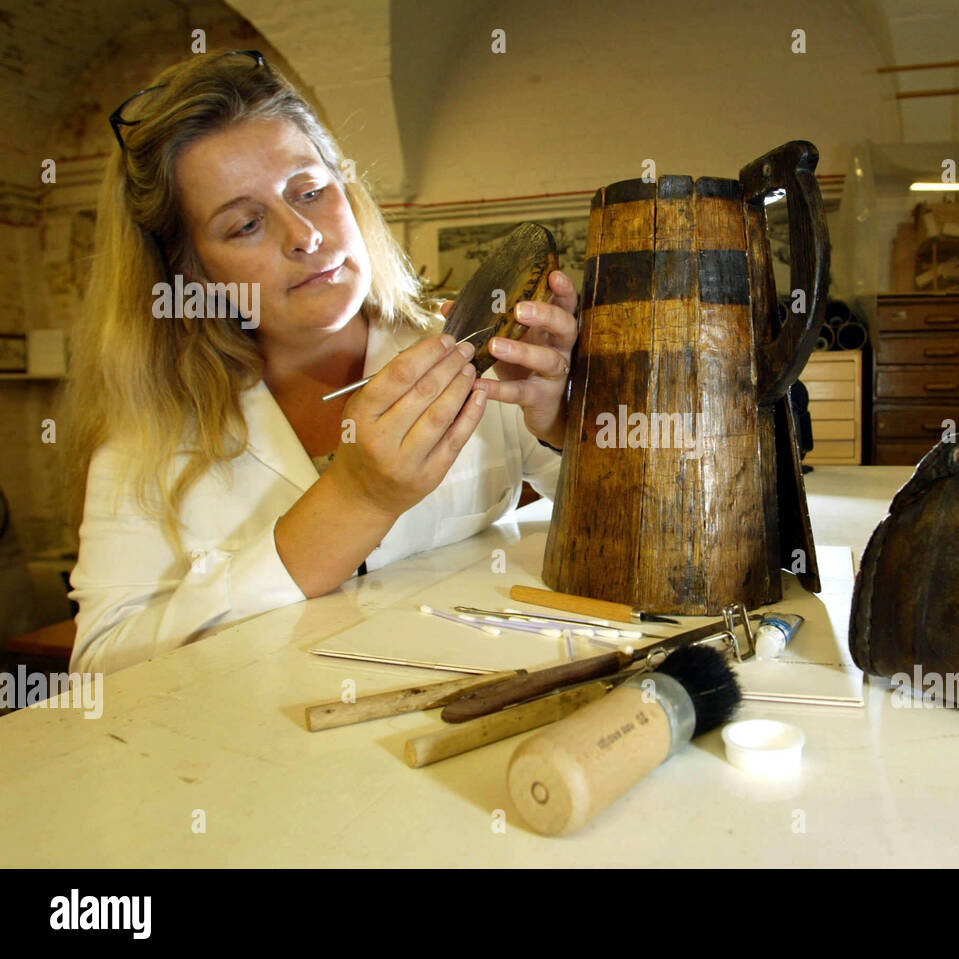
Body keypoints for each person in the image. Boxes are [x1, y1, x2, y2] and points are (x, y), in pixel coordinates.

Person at [63, 51, 577, 675]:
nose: (304, 235)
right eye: (245, 224)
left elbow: (629, 533)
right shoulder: (147, 436)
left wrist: (561, 422)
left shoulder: (470, 349)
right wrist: (355, 501)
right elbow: (100, 668)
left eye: (310, 192)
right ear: (191, 272)